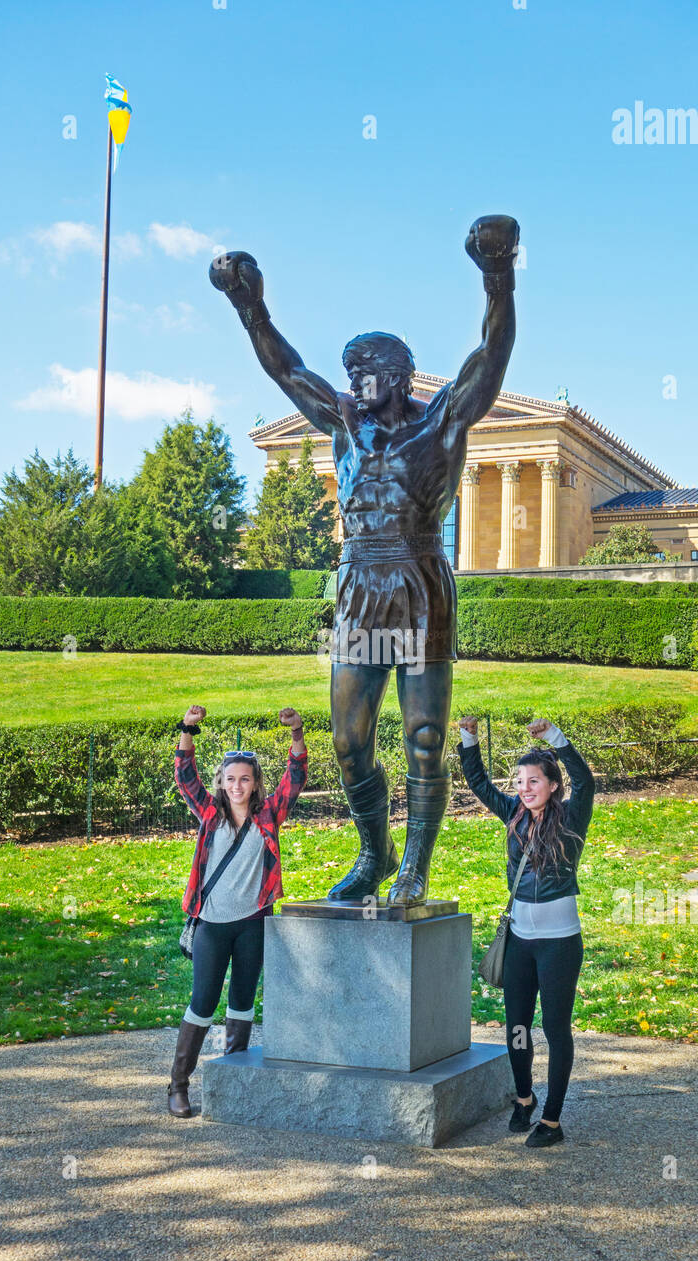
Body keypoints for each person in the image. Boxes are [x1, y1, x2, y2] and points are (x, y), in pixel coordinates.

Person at [208, 213, 518, 906]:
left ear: (398, 374)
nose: (353, 380)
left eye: (364, 370)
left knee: (426, 737)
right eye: (350, 371)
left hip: (418, 580)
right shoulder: (344, 423)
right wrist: (249, 304)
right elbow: (286, 367)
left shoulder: (443, 421)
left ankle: (414, 869)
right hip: (357, 585)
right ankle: (374, 855)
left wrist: (498, 276)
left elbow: (489, 358)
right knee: (350, 743)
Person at [457, 715, 595, 1148]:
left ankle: (552, 1120)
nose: (524, 787)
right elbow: (479, 784)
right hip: (518, 941)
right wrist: (468, 739)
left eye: (533, 780)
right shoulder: (514, 814)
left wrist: (556, 738)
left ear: (552, 784)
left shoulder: (573, 815)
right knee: (516, 1025)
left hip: (559, 944)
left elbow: (585, 779)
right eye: (519, 780)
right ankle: (524, 1097)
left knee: (556, 1029)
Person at [167, 703, 308, 1118]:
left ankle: (235, 1080)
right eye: (230, 779)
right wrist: (187, 730)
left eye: (244, 779)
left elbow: (296, 776)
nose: (236, 786)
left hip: (253, 923)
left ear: (255, 783)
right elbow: (184, 776)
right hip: (212, 924)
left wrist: (296, 731)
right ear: (221, 782)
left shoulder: (269, 815)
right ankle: (178, 1085)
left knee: (243, 1001)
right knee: (203, 1002)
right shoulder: (210, 815)